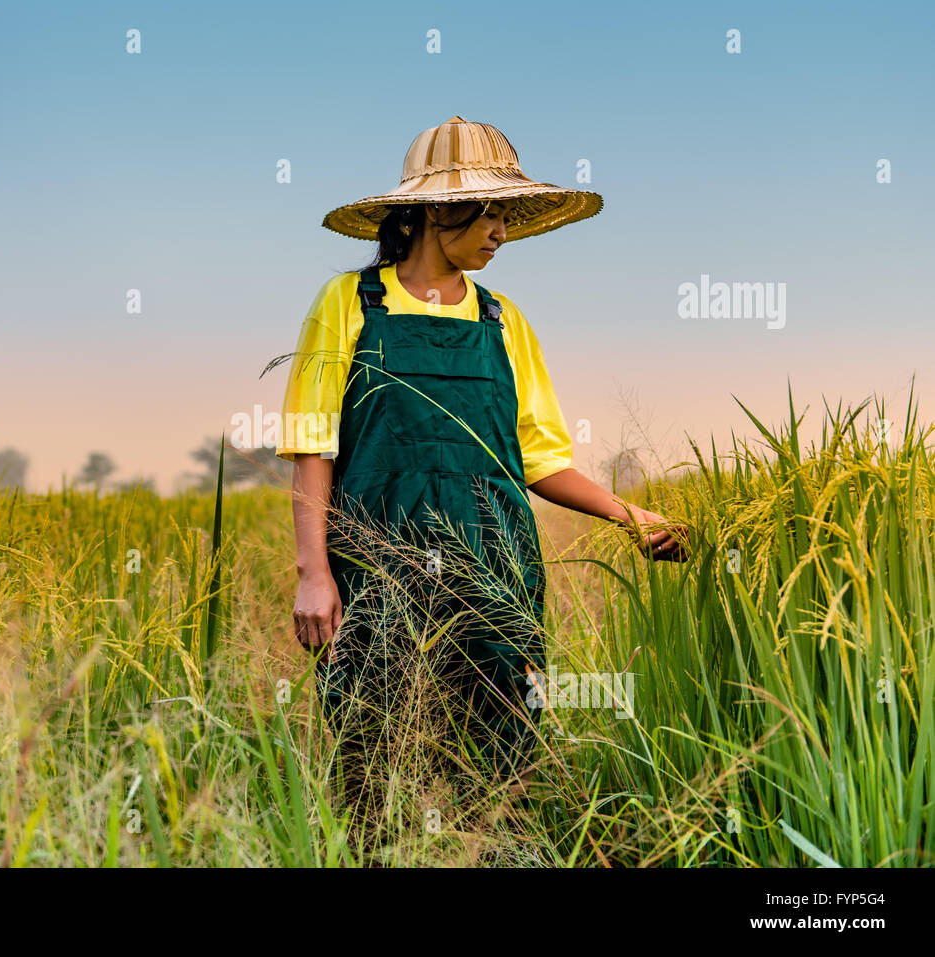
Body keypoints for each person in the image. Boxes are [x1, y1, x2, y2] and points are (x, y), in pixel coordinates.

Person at [275, 116, 690, 834]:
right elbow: (314, 445)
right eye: (488, 210)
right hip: (378, 563)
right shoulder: (349, 304)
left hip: (496, 567)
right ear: (436, 211)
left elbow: (541, 459)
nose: (500, 230)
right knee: (373, 756)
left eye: (506, 212)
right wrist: (315, 571)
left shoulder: (505, 321)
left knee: (504, 757)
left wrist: (634, 518)